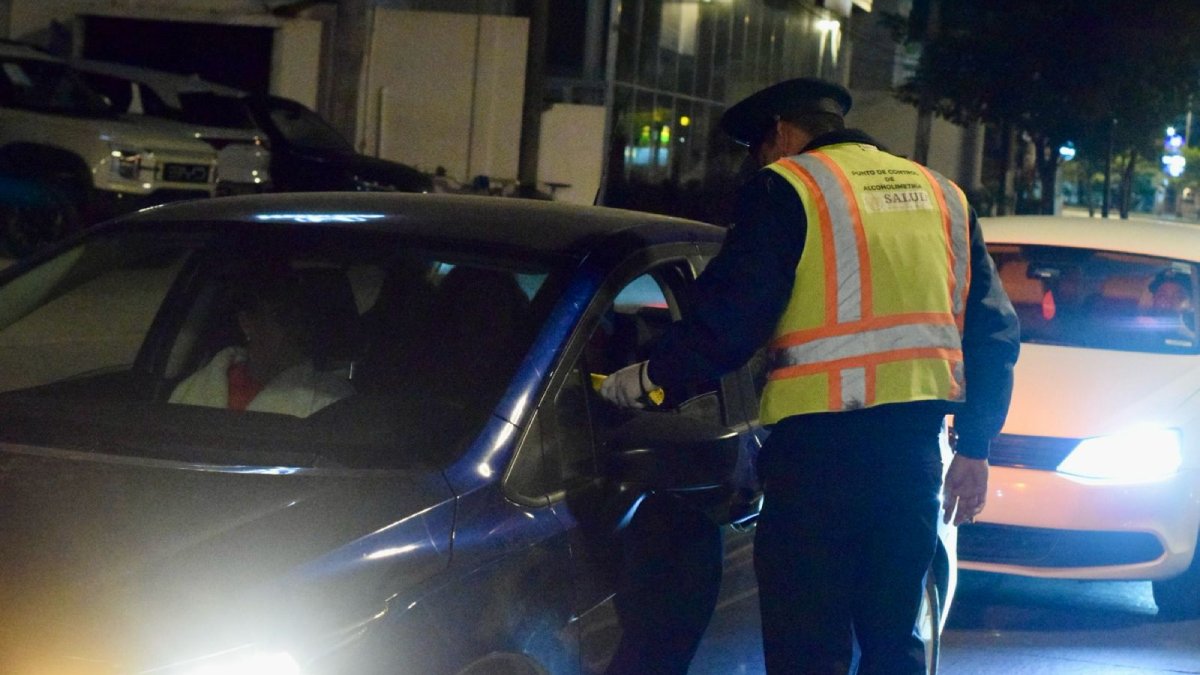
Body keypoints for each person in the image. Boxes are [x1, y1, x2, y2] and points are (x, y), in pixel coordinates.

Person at [600, 78, 1020, 673]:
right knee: (892, 640)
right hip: (911, 464)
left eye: (757, 149)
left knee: (807, 645)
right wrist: (975, 447)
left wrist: (652, 378)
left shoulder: (787, 188)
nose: (759, 162)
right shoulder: (942, 195)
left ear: (779, 133)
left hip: (817, 466)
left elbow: (730, 318)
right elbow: (994, 334)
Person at [169, 267, 355, 418]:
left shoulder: (331, 400)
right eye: (281, 317)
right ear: (247, 323)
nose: (293, 329)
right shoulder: (193, 389)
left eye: (299, 319)